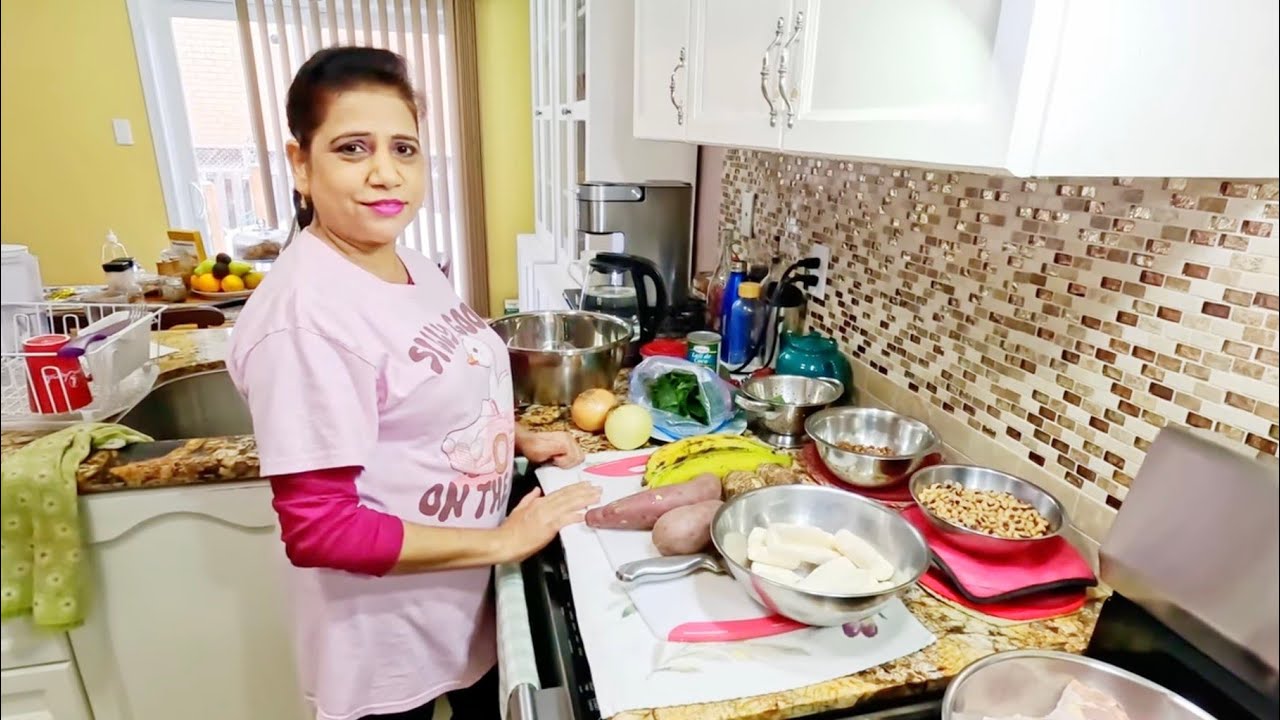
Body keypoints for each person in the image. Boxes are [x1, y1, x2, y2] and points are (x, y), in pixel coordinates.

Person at [228, 46, 601, 720]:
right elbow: (321, 528)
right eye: (352, 148)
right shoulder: (304, 320)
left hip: (463, 604)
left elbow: (428, 386)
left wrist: (511, 438)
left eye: (404, 148)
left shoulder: (402, 260)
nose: (384, 173)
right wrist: (503, 541)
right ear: (300, 164)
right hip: (387, 638)